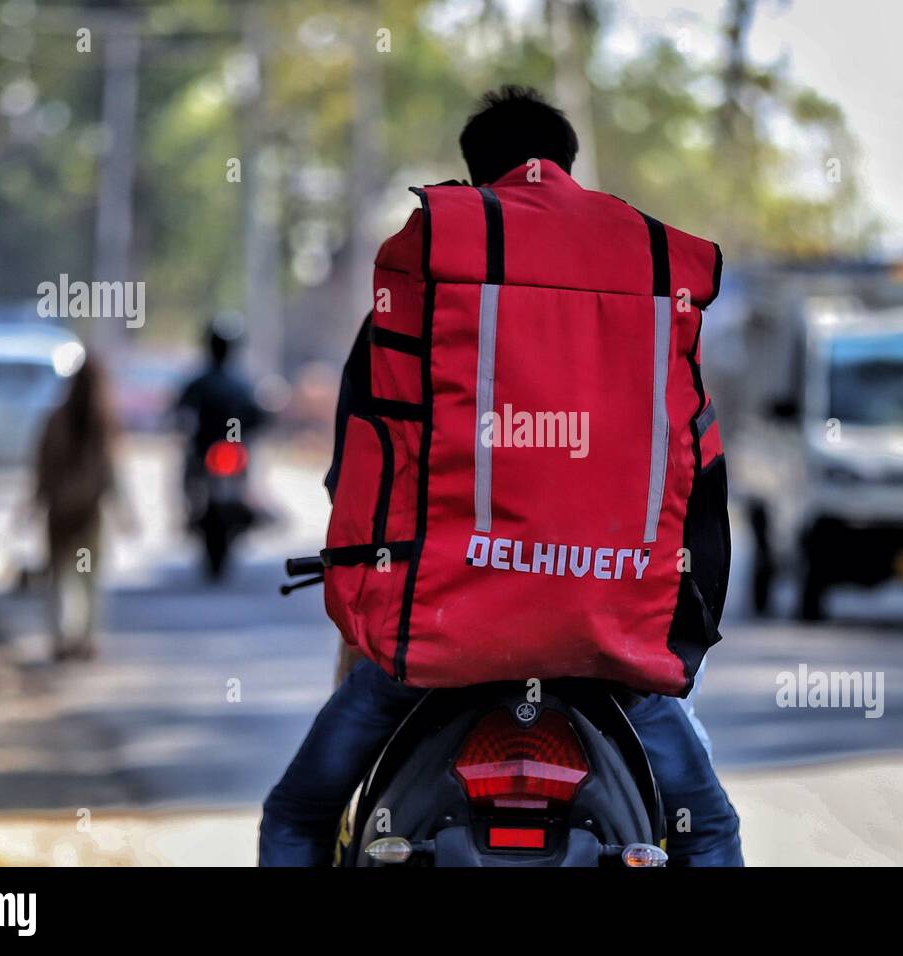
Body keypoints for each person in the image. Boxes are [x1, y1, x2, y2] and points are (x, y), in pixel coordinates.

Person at [260, 87, 743, 867]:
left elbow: (361, 455)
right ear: (567, 163)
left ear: (475, 173)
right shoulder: (651, 275)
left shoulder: (440, 264)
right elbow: (698, 467)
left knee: (298, 815)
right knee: (708, 828)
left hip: (441, 639)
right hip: (607, 645)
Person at [31, 355, 127, 661]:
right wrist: (122, 509)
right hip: (89, 513)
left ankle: (62, 639)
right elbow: (110, 472)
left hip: (59, 512)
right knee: (89, 579)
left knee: (60, 576)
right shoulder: (103, 423)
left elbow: (43, 467)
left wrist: (35, 501)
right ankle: (85, 638)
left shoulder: (56, 419)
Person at [173, 316, 268, 503]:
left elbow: (180, 414)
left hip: (224, 449)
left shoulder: (200, 383)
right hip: (211, 450)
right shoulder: (244, 384)